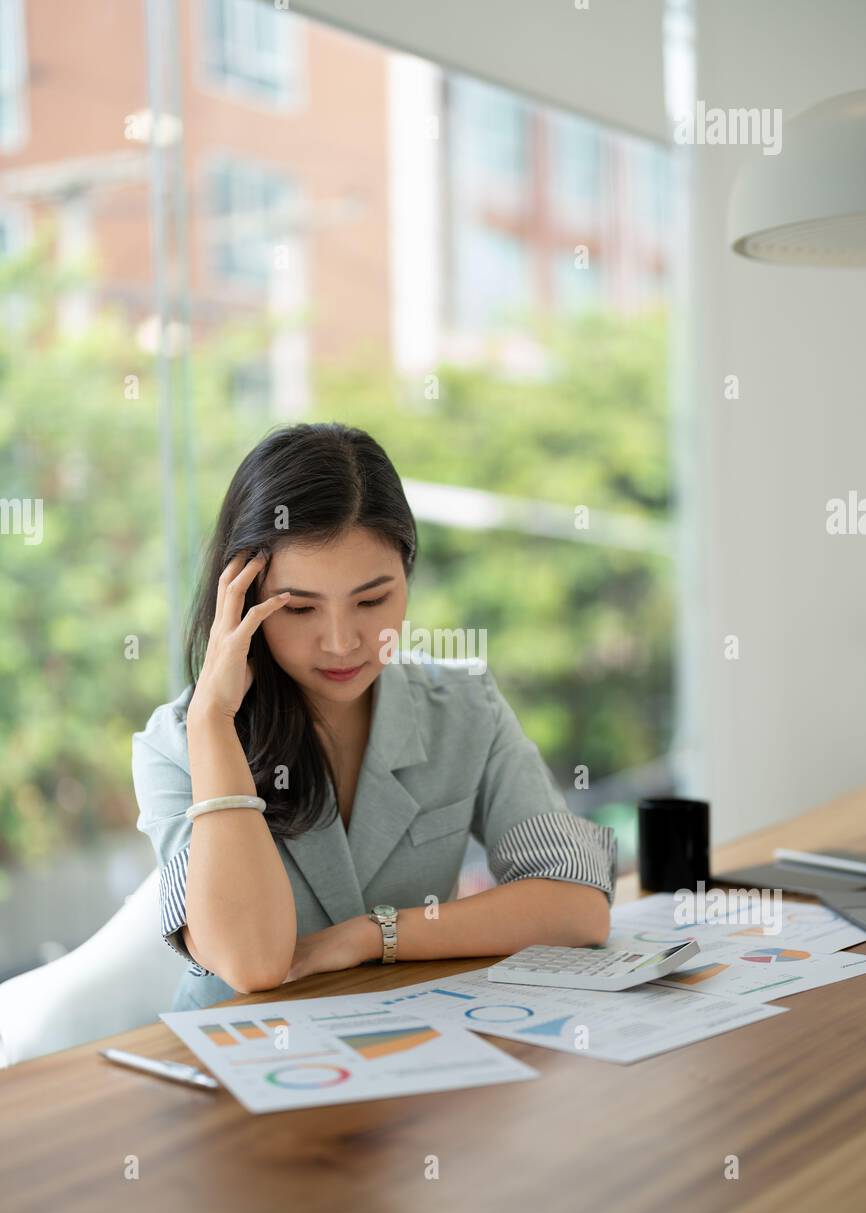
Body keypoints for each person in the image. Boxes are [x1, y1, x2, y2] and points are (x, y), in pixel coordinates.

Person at [131, 422, 617, 1012]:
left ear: (407, 580)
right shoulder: (178, 743)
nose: (341, 643)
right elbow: (252, 963)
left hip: (401, 1043)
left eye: (371, 601)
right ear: (242, 604)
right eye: (301, 608)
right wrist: (212, 716)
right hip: (229, 1067)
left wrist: (370, 936)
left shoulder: (464, 706)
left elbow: (577, 903)